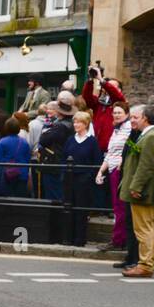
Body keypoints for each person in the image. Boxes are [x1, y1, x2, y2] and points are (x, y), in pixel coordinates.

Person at [120, 105, 154, 277]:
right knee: (150, 225)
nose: (132, 120)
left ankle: (145, 265)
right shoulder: (148, 135)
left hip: (143, 190)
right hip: (147, 188)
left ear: (145, 118)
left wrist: (136, 187)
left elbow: (146, 166)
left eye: (135, 117)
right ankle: (153, 256)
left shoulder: (151, 137)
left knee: (143, 228)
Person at [62, 111, 103, 246]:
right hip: (70, 179)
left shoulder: (92, 141)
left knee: (81, 210)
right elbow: (63, 159)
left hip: (84, 180)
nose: (76, 124)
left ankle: (80, 239)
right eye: (75, 122)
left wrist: (90, 176)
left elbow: (97, 161)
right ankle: (68, 237)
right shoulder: (70, 140)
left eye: (79, 122)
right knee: (69, 208)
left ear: (86, 124)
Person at [95, 104, 132, 252]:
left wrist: (122, 162)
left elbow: (131, 148)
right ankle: (119, 239)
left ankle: (119, 240)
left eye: (119, 112)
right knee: (117, 207)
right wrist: (100, 171)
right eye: (114, 112)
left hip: (120, 171)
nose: (116, 115)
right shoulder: (116, 129)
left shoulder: (129, 127)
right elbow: (110, 153)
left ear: (127, 114)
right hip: (112, 170)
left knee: (120, 207)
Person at [38, 93, 76, 201]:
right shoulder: (70, 123)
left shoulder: (60, 126)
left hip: (55, 162)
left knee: (54, 194)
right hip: (62, 161)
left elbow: (43, 140)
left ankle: (55, 216)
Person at [81, 65, 126, 150]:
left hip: (112, 147)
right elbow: (87, 98)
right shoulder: (100, 102)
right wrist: (91, 80)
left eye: (113, 86)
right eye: (108, 85)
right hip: (96, 145)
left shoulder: (120, 102)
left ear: (119, 90)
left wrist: (102, 80)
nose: (108, 87)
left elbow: (115, 95)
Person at [0, 117, 31, 198]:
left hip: (6, 174)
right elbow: (27, 158)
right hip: (21, 173)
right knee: (19, 199)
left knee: (5, 198)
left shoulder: (2, 142)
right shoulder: (24, 142)